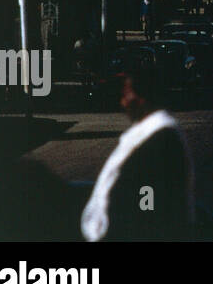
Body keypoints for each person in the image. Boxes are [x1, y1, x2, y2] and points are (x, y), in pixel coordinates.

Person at [81, 67, 195, 241]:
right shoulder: (149, 136)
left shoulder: (159, 141)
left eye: (127, 95)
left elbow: (147, 207)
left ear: (143, 98)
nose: (124, 102)